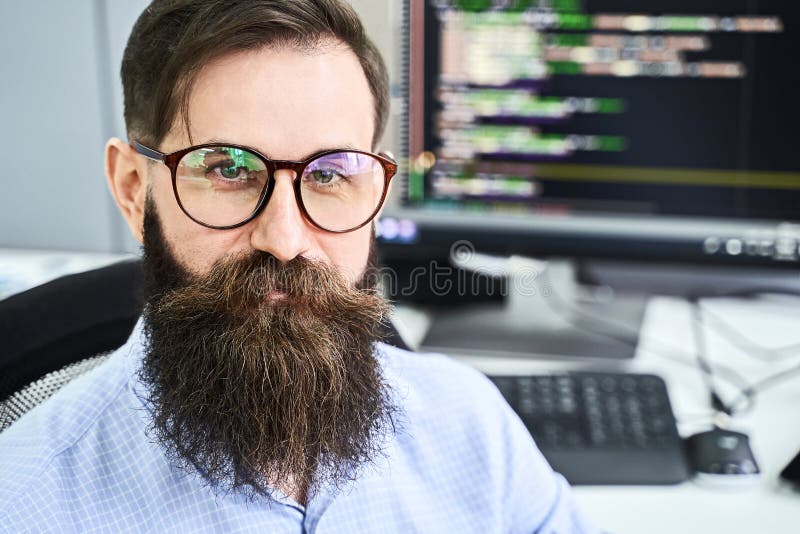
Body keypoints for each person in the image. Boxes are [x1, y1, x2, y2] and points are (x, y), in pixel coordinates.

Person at [0, 0, 596, 531]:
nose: (285, 240)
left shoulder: (472, 427)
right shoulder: (23, 504)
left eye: (332, 172)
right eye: (227, 169)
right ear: (134, 190)